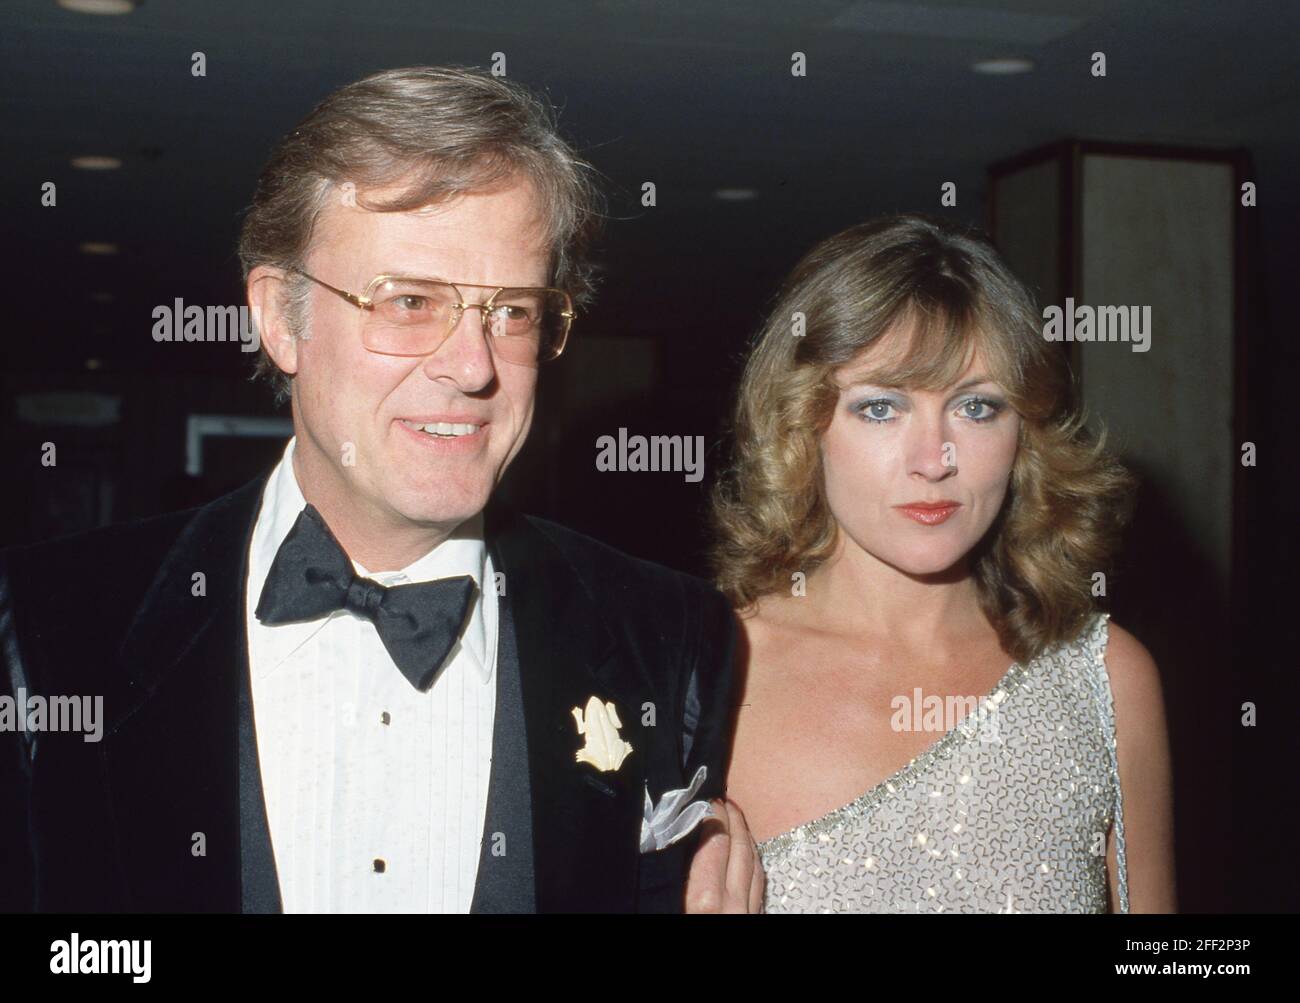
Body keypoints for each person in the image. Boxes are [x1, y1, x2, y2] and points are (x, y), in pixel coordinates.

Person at [0, 65, 761, 914]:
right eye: (409, 302)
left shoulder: (667, 635)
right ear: (281, 317)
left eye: (511, 311)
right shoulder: (48, 624)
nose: (473, 367)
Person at [711, 214, 1176, 913]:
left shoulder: (1105, 679)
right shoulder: (706, 671)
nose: (935, 460)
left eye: (977, 407)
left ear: (1026, 433)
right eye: (880, 409)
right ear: (804, 424)